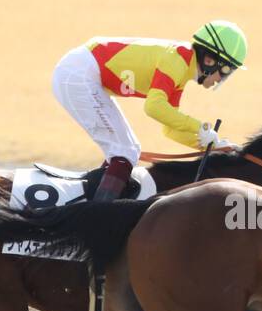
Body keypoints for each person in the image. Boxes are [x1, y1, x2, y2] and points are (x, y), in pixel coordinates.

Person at [52, 21, 248, 200]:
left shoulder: (182, 66)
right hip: (78, 74)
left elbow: (169, 129)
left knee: (126, 151)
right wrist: (199, 127)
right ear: (210, 60)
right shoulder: (176, 59)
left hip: (81, 71)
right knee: (125, 151)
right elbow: (153, 107)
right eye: (225, 72)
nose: (221, 80)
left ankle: (96, 204)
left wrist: (212, 145)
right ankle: (95, 218)